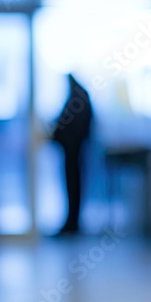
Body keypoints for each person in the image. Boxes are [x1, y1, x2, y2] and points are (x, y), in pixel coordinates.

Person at [53, 74, 93, 235]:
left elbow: (73, 126)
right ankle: (70, 223)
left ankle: (73, 224)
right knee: (72, 188)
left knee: (74, 187)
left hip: (75, 153)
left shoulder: (78, 98)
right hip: (73, 153)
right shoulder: (77, 97)